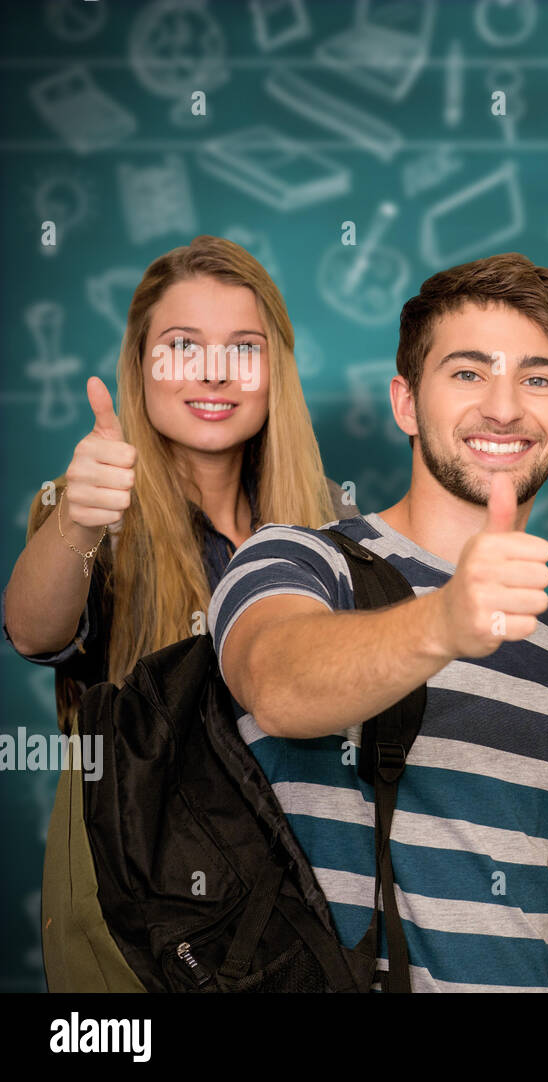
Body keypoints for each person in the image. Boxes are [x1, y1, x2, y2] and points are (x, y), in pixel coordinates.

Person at [209, 253, 548, 992]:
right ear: (406, 404)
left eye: (536, 378)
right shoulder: (301, 561)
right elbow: (274, 681)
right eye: (468, 373)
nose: (503, 408)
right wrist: (443, 622)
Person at [3, 233, 351, 732]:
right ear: (141, 361)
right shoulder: (90, 504)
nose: (214, 373)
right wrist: (79, 523)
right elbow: (33, 636)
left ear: (277, 369)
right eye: (183, 345)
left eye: (244, 349)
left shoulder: (335, 510)